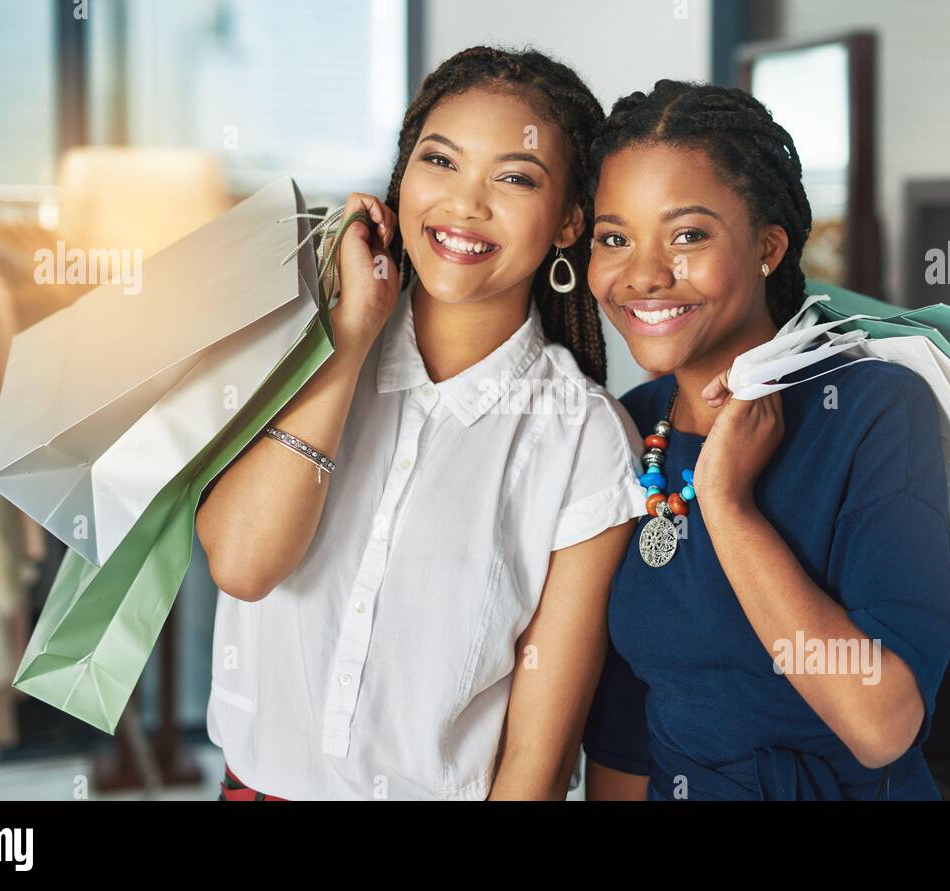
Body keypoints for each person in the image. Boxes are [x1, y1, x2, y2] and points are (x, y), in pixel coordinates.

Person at [195, 47, 647, 800]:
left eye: (514, 177)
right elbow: (244, 564)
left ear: (571, 220)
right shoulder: (298, 342)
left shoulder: (585, 440)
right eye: (441, 161)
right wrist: (346, 344)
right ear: (403, 178)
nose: (466, 204)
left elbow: (534, 762)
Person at [581, 81, 950, 800]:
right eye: (614, 238)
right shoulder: (626, 426)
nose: (643, 275)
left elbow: (882, 723)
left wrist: (728, 506)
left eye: (688, 235)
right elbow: (625, 727)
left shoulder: (872, 410)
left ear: (768, 245)